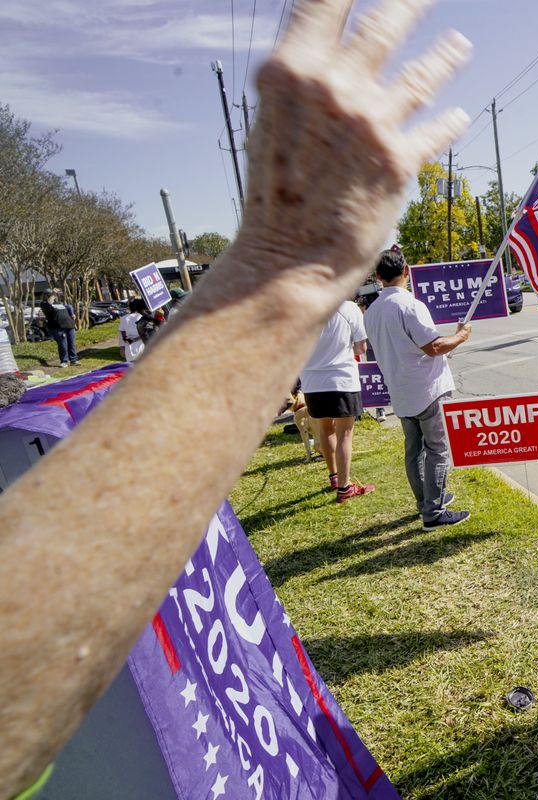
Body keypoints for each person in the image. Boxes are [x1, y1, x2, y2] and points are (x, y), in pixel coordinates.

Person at [0, 1, 472, 795]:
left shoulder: (362, 307)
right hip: (355, 381)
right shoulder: (368, 308)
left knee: (333, 442)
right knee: (358, 445)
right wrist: (286, 264)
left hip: (324, 381)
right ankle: (349, 482)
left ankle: (334, 478)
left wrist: (287, 274)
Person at [363, 249, 472, 531]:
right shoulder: (410, 305)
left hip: (399, 390)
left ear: (378, 277)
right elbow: (433, 346)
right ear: (407, 271)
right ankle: (433, 512)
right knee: (437, 450)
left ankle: (426, 501)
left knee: (414, 451)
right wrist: (461, 336)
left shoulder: (372, 311)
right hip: (427, 388)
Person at [301, 299, 373, 503]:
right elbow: (361, 348)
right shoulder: (348, 308)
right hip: (341, 379)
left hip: (312, 381)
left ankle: (334, 477)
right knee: (345, 435)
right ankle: (344, 487)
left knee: (325, 428)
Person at [38, 290, 77, 368]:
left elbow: (68, 307)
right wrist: (53, 294)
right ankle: (64, 361)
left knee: (71, 344)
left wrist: (72, 314)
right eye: (50, 296)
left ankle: (74, 360)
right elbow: (49, 304)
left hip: (69, 325)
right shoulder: (44, 304)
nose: (53, 297)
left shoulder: (59, 303)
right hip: (57, 328)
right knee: (63, 345)